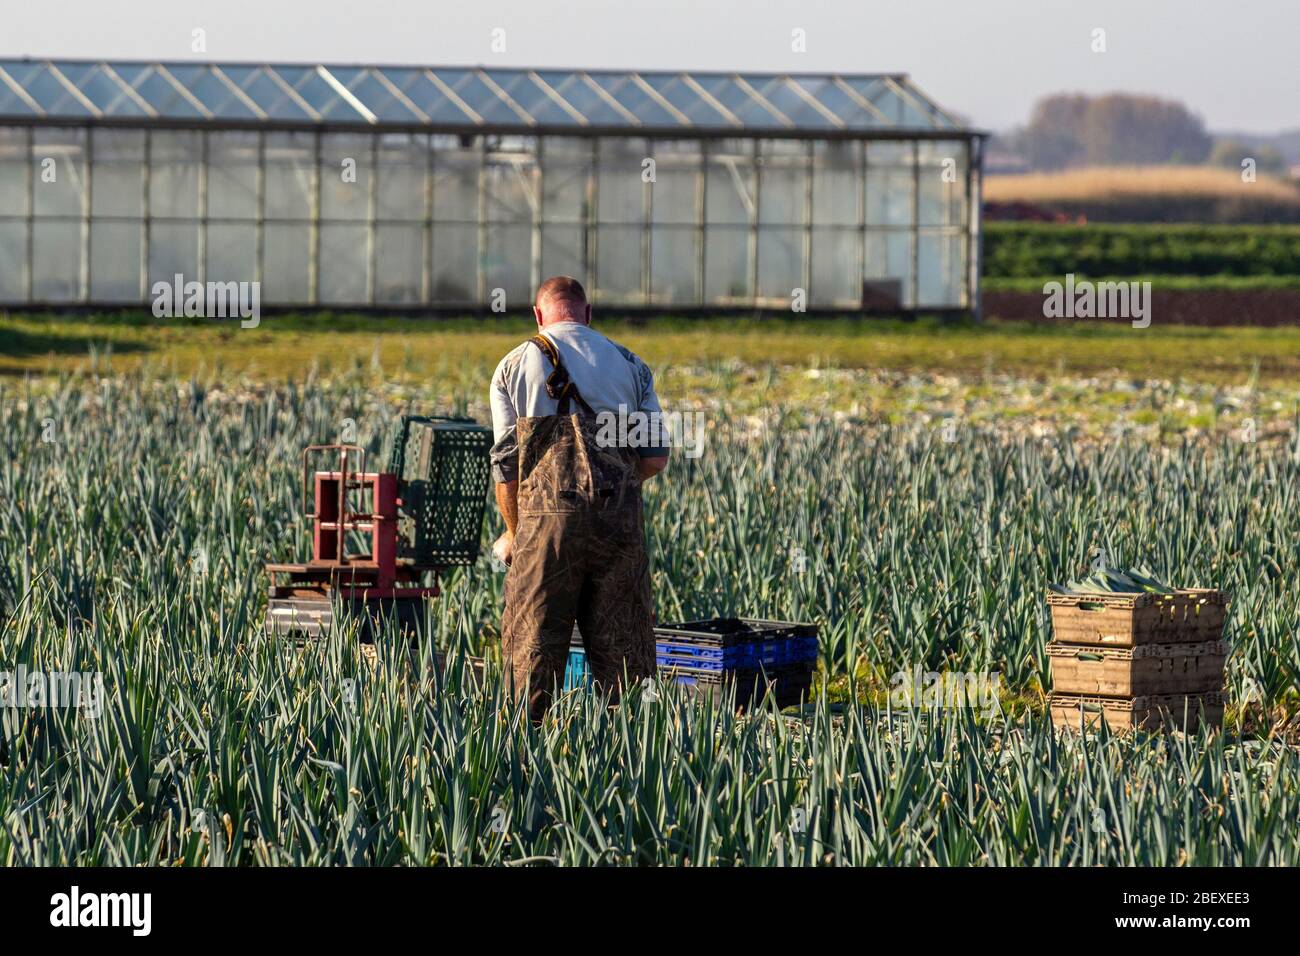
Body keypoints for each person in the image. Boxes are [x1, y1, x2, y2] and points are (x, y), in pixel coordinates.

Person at [489, 276, 669, 721]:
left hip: (546, 531)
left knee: (532, 654)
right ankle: (635, 765)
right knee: (627, 664)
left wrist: (515, 535)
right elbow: (656, 457)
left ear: (538, 315)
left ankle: (523, 761)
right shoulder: (631, 365)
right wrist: (614, 488)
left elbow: (506, 469)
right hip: (618, 526)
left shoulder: (513, 366)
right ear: (588, 314)